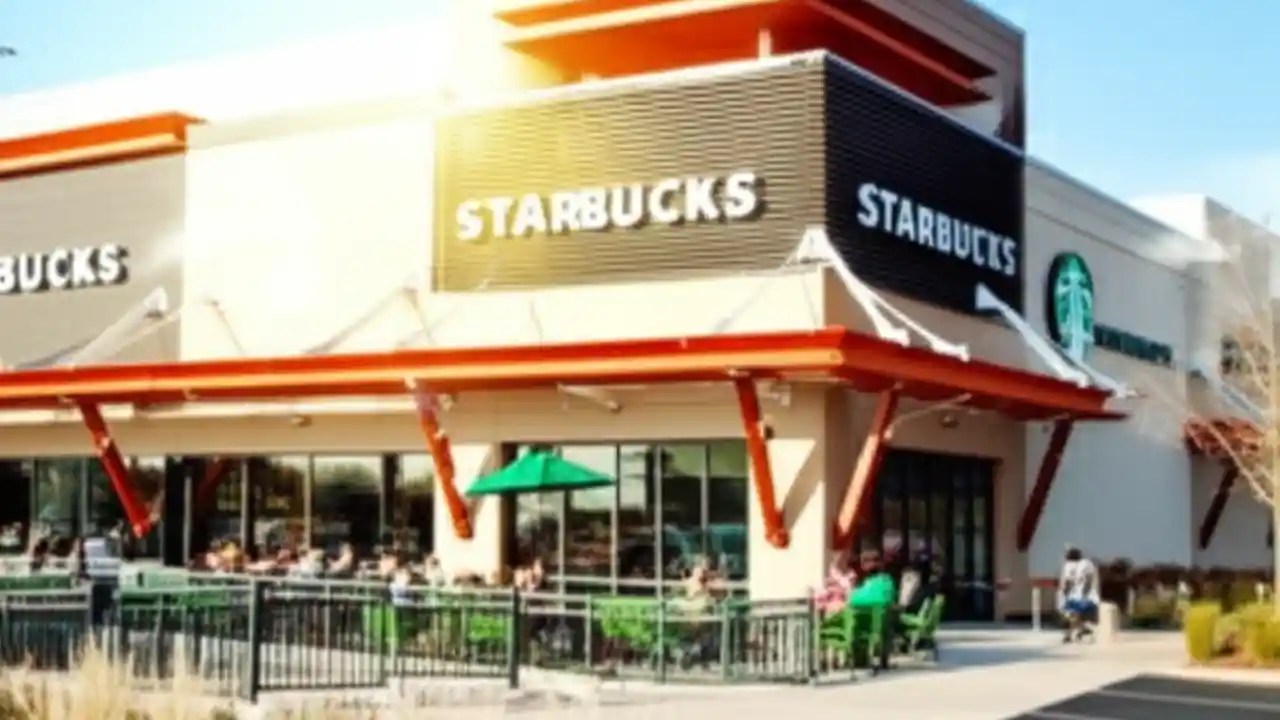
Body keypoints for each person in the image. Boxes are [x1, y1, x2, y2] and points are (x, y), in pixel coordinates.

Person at [1057, 546, 1100, 643]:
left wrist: (1065, 593)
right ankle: (1079, 631)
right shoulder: (1086, 563)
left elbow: (1068, 582)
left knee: (1071, 614)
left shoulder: (1072, 565)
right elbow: (1088, 579)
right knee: (1075, 615)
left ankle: (1074, 633)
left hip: (1080, 596)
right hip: (1083, 596)